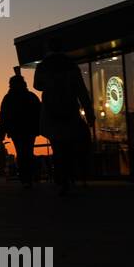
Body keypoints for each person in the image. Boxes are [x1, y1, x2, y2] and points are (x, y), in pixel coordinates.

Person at [33, 50, 95, 195]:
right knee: (69, 144)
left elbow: (37, 85)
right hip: (69, 110)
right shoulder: (71, 65)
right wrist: (89, 114)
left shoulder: (43, 66)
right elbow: (82, 91)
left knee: (58, 146)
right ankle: (69, 175)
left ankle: (62, 178)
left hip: (52, 111)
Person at [0, 72, 42, 187]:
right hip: (30, 129)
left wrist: (0, 134)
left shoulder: (8, 98)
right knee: (28, 152)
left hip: (16, 130)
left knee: (21, 153)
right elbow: (39, 113)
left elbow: (3, 116)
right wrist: (40, 128)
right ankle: (30, 176)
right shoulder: (31, 96)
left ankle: (25, 178)